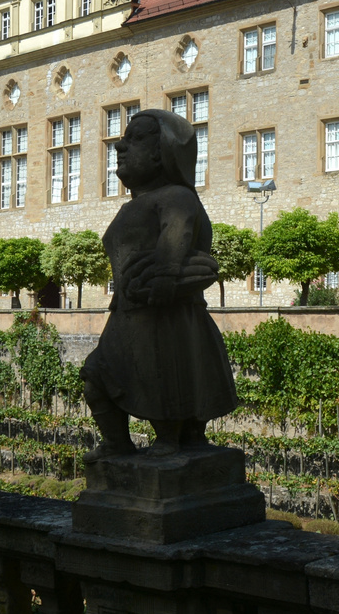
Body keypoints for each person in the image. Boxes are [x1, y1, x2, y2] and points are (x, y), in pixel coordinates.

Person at [81, 109, 236, 460]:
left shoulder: (176, 197)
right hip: (130, 311)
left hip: (163, 312)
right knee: (96, 374)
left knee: (164, 377)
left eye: (135, 139)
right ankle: (117, 443)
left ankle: (172, 439)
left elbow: (176, 234)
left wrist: (165, 278)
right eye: (123, 138)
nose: (120, 146)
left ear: (160, 153)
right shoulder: (140, 203)